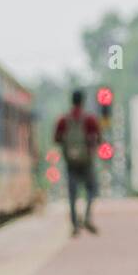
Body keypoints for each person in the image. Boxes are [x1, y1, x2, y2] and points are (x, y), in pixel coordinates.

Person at [54, 89, 101, 236]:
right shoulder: (89, 119)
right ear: (83, 101)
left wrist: (69, 147)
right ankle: (87, 216)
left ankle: (74, 225)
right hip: (86, 160)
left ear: (72, 101)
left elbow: (56, 138)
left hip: (70, 162)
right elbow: (98, 138)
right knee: (92, 189)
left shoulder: (64, 119)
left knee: (72, 194)